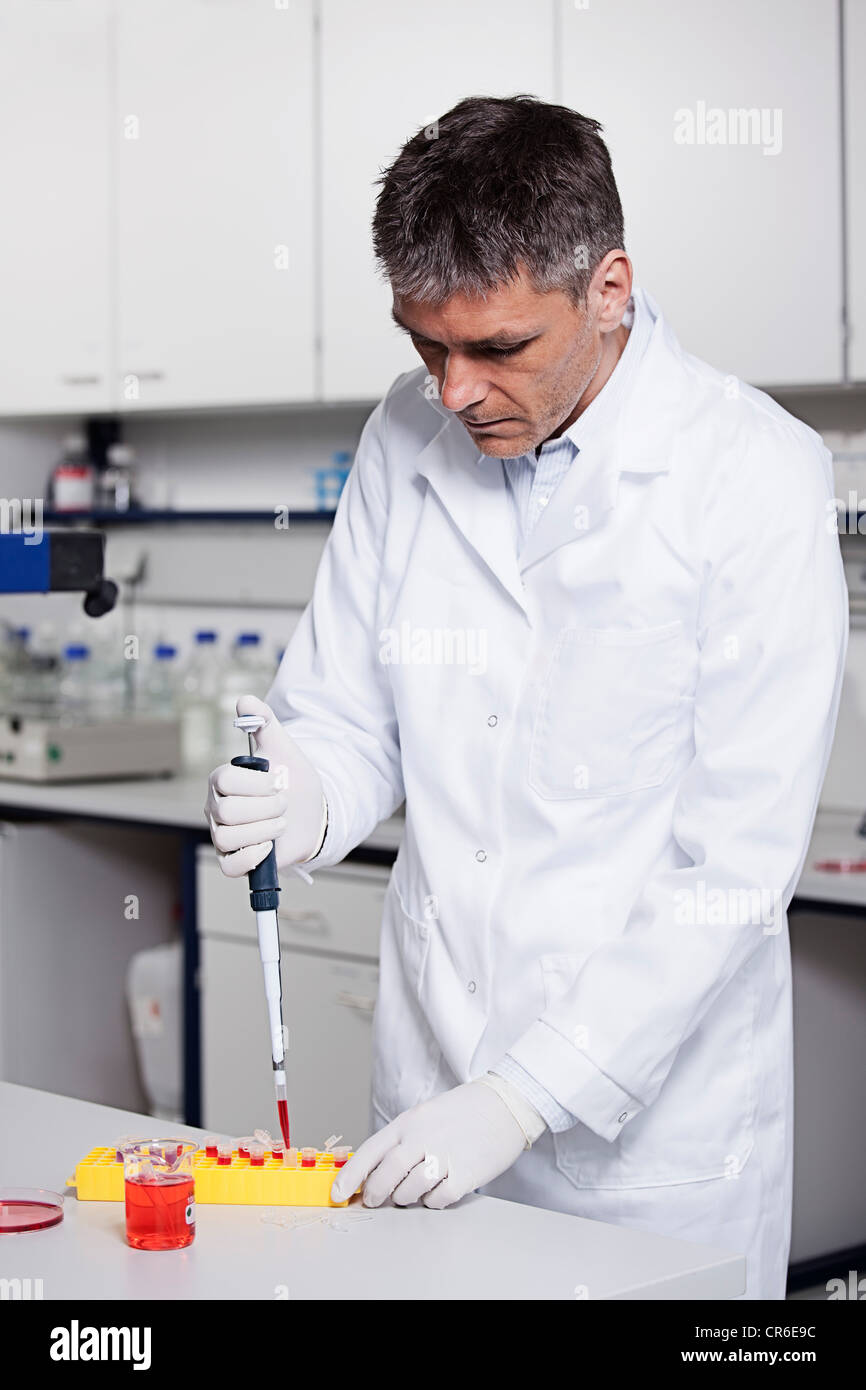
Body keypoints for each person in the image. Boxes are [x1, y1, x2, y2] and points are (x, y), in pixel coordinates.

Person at [205, 96, 847, 1299]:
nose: (451, 392)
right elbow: (347, 715)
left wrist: (521, 1095)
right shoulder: (405, 434)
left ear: (607, 288)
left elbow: (730, 866)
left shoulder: (748, 473)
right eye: (422, 345)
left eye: (496, 349)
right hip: (427, 1104)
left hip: (649, 1145)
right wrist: (299, 795)